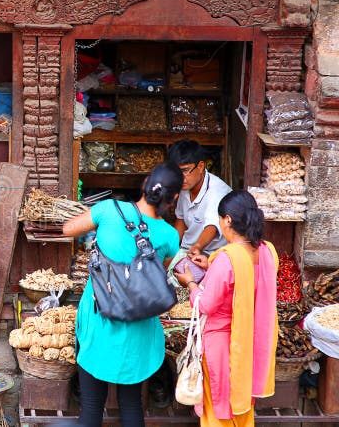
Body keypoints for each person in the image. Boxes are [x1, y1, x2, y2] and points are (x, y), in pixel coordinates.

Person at [62, 163, 183, 427]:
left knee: (92, 408)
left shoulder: (108, 210)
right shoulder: (170, 236)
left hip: (98, 322)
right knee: (131, 406)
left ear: (144, 185)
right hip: (138, 330)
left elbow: (68, 229)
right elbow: (155, 273)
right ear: (173, 199)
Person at [174, 190, 277, 427]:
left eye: (219, 218)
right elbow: (245, 280)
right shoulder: (267, 251)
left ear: (228, 220)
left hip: (222, 346)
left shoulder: (227, 258)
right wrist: (211, 265)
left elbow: (206, 304)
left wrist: (190, 283)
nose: (219, 223)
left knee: (219, 411)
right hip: (250, 345)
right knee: (241, 409)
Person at [167, 140, 232, 269]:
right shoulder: (185, 186)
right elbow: (181, 220)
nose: (181, 177)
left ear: (201, 166)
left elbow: (212, 227)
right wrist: (170, 247)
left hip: (211, 254)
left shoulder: (217, 191)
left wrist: (197, 246)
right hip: (188, 249)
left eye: (185, 171)